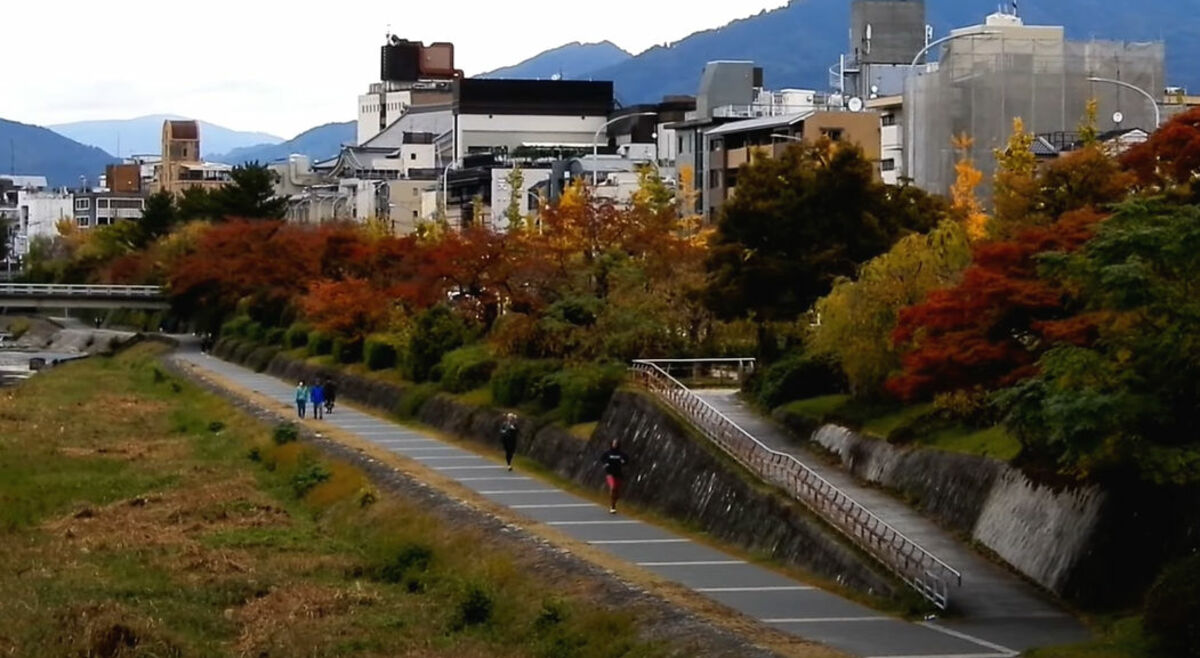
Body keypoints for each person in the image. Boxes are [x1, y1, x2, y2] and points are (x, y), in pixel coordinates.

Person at [599, 439, 630, 514]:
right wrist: (605, 464)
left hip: (618, 473)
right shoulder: (608, 453)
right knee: (612, 488)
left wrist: (623, 462)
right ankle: (612, 506)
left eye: (616, 443)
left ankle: (614, 503)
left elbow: (627, 459)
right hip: (610, 473)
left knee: (617, 491)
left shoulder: (621, 454)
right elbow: (602, 459)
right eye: (614, 443)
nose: (615, 445)